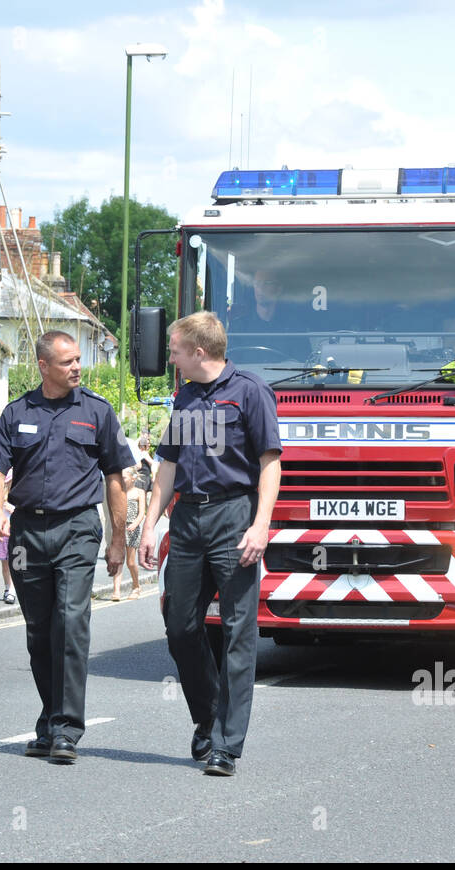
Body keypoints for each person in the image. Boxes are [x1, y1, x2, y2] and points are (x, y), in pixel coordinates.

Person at [138, 311, 282, 778]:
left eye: (176, 350)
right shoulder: (184, 396)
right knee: (179, 626)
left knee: (240, 633)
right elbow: (168, 467)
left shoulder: (250, 391)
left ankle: (225, 744)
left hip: (234, 515)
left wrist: (261, 524)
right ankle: (209, 714)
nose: (171, 357)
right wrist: (148, 524)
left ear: (198, 352)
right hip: (187, 520)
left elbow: (269, 463)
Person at [0, 330, 132, 764]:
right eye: (66, 362)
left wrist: (117, 538)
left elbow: (117, 477)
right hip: (27, 532)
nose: (76, 368)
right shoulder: (16, 413)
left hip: (78, 528)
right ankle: (50, 719)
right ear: (43, 366)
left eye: (78, 360)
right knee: (39, 631)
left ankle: (66, 729)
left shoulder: (97, 412)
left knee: (70, 623)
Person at [113, 466, 145, 601]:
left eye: (124, 477)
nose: (122, 479)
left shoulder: (139, 492)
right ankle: (116, 591)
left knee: (131, 562)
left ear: (133, 478)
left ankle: (136, 586)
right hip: (120, 529)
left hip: (132, 528)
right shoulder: (118, 492)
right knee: (117, 561)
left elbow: (142, 513)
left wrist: (135, 524)